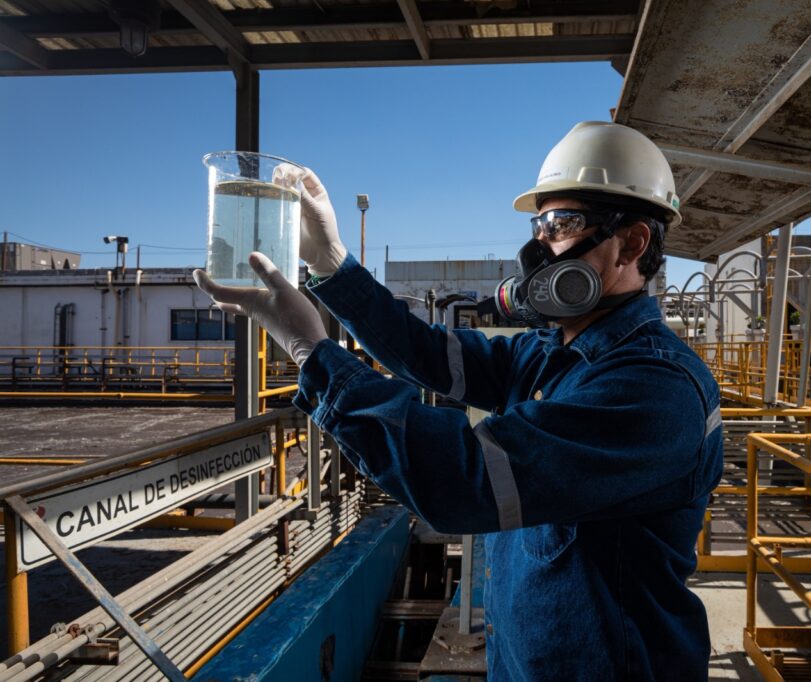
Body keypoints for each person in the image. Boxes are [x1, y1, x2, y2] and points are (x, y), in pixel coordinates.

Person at [195, 121, 724, 681]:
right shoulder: (551, 352)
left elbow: (466, 480)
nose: (538, 247)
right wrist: (333, 266)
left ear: (634, 242)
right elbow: (427, 351)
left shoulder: (654, 389)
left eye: (562, 224)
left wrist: (314, 354)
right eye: (538, 224)